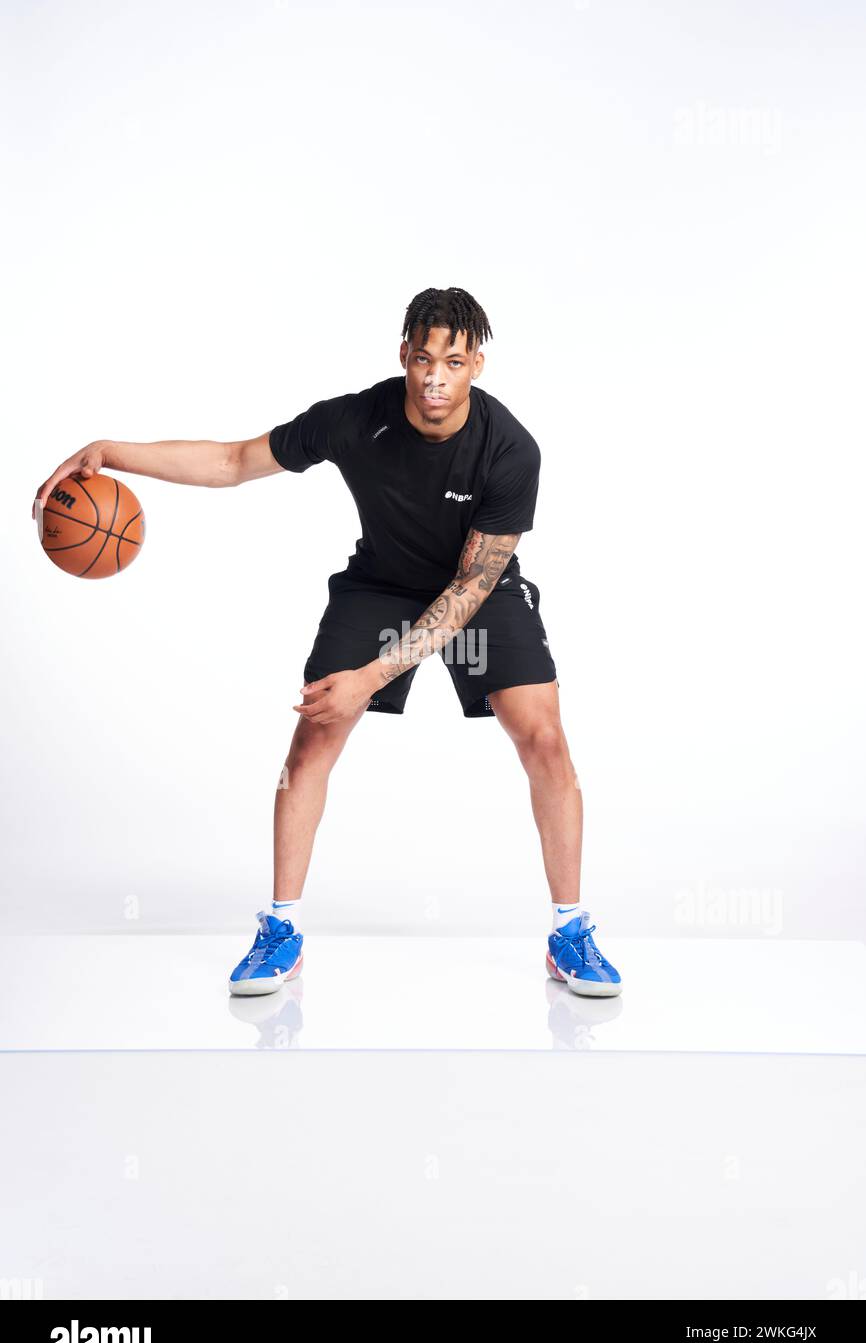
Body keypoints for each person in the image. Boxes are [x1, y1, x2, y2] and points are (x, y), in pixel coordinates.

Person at [32, 287, 621, 1001]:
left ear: (478, 367)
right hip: (379, 586)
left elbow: (467, 593)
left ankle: (570, 930)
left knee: (546, 738)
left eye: (455, 362)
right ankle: (281, 928)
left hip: (478, 591)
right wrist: (109, 450)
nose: (436, 376)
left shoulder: (510, 450)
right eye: (425, 357)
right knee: (314, 735)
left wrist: (372, 675)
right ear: (404, 354)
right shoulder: (353, 421)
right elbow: (234, 460)